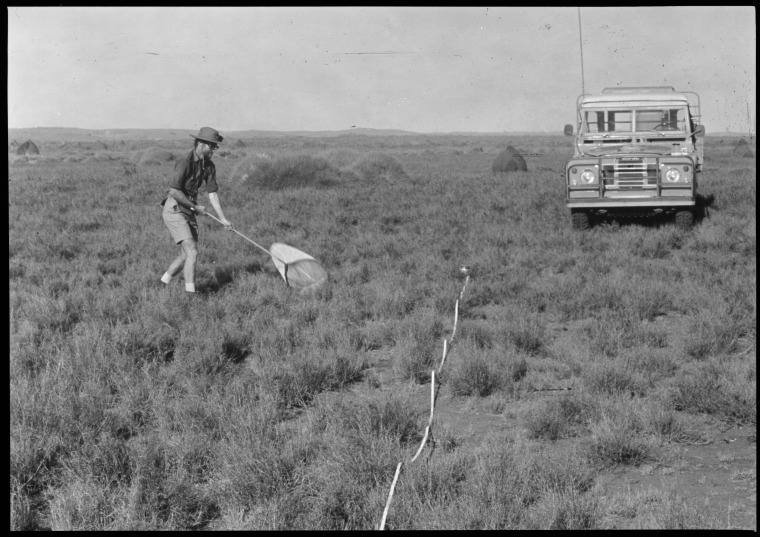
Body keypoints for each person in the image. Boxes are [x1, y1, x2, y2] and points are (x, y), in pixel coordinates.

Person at [159, 127, 232, 293]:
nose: (214, 149)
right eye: (212, 146)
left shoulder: (210, 166)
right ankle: (190, 295)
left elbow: (212, 194)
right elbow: (174, 191)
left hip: (189, 210)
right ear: (200, 143)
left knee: (186, 255)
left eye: (215, 147)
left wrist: (223, 219)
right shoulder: (185, 162)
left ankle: (162, 283)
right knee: (192, 250)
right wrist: (195, 207)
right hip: (175, 209)